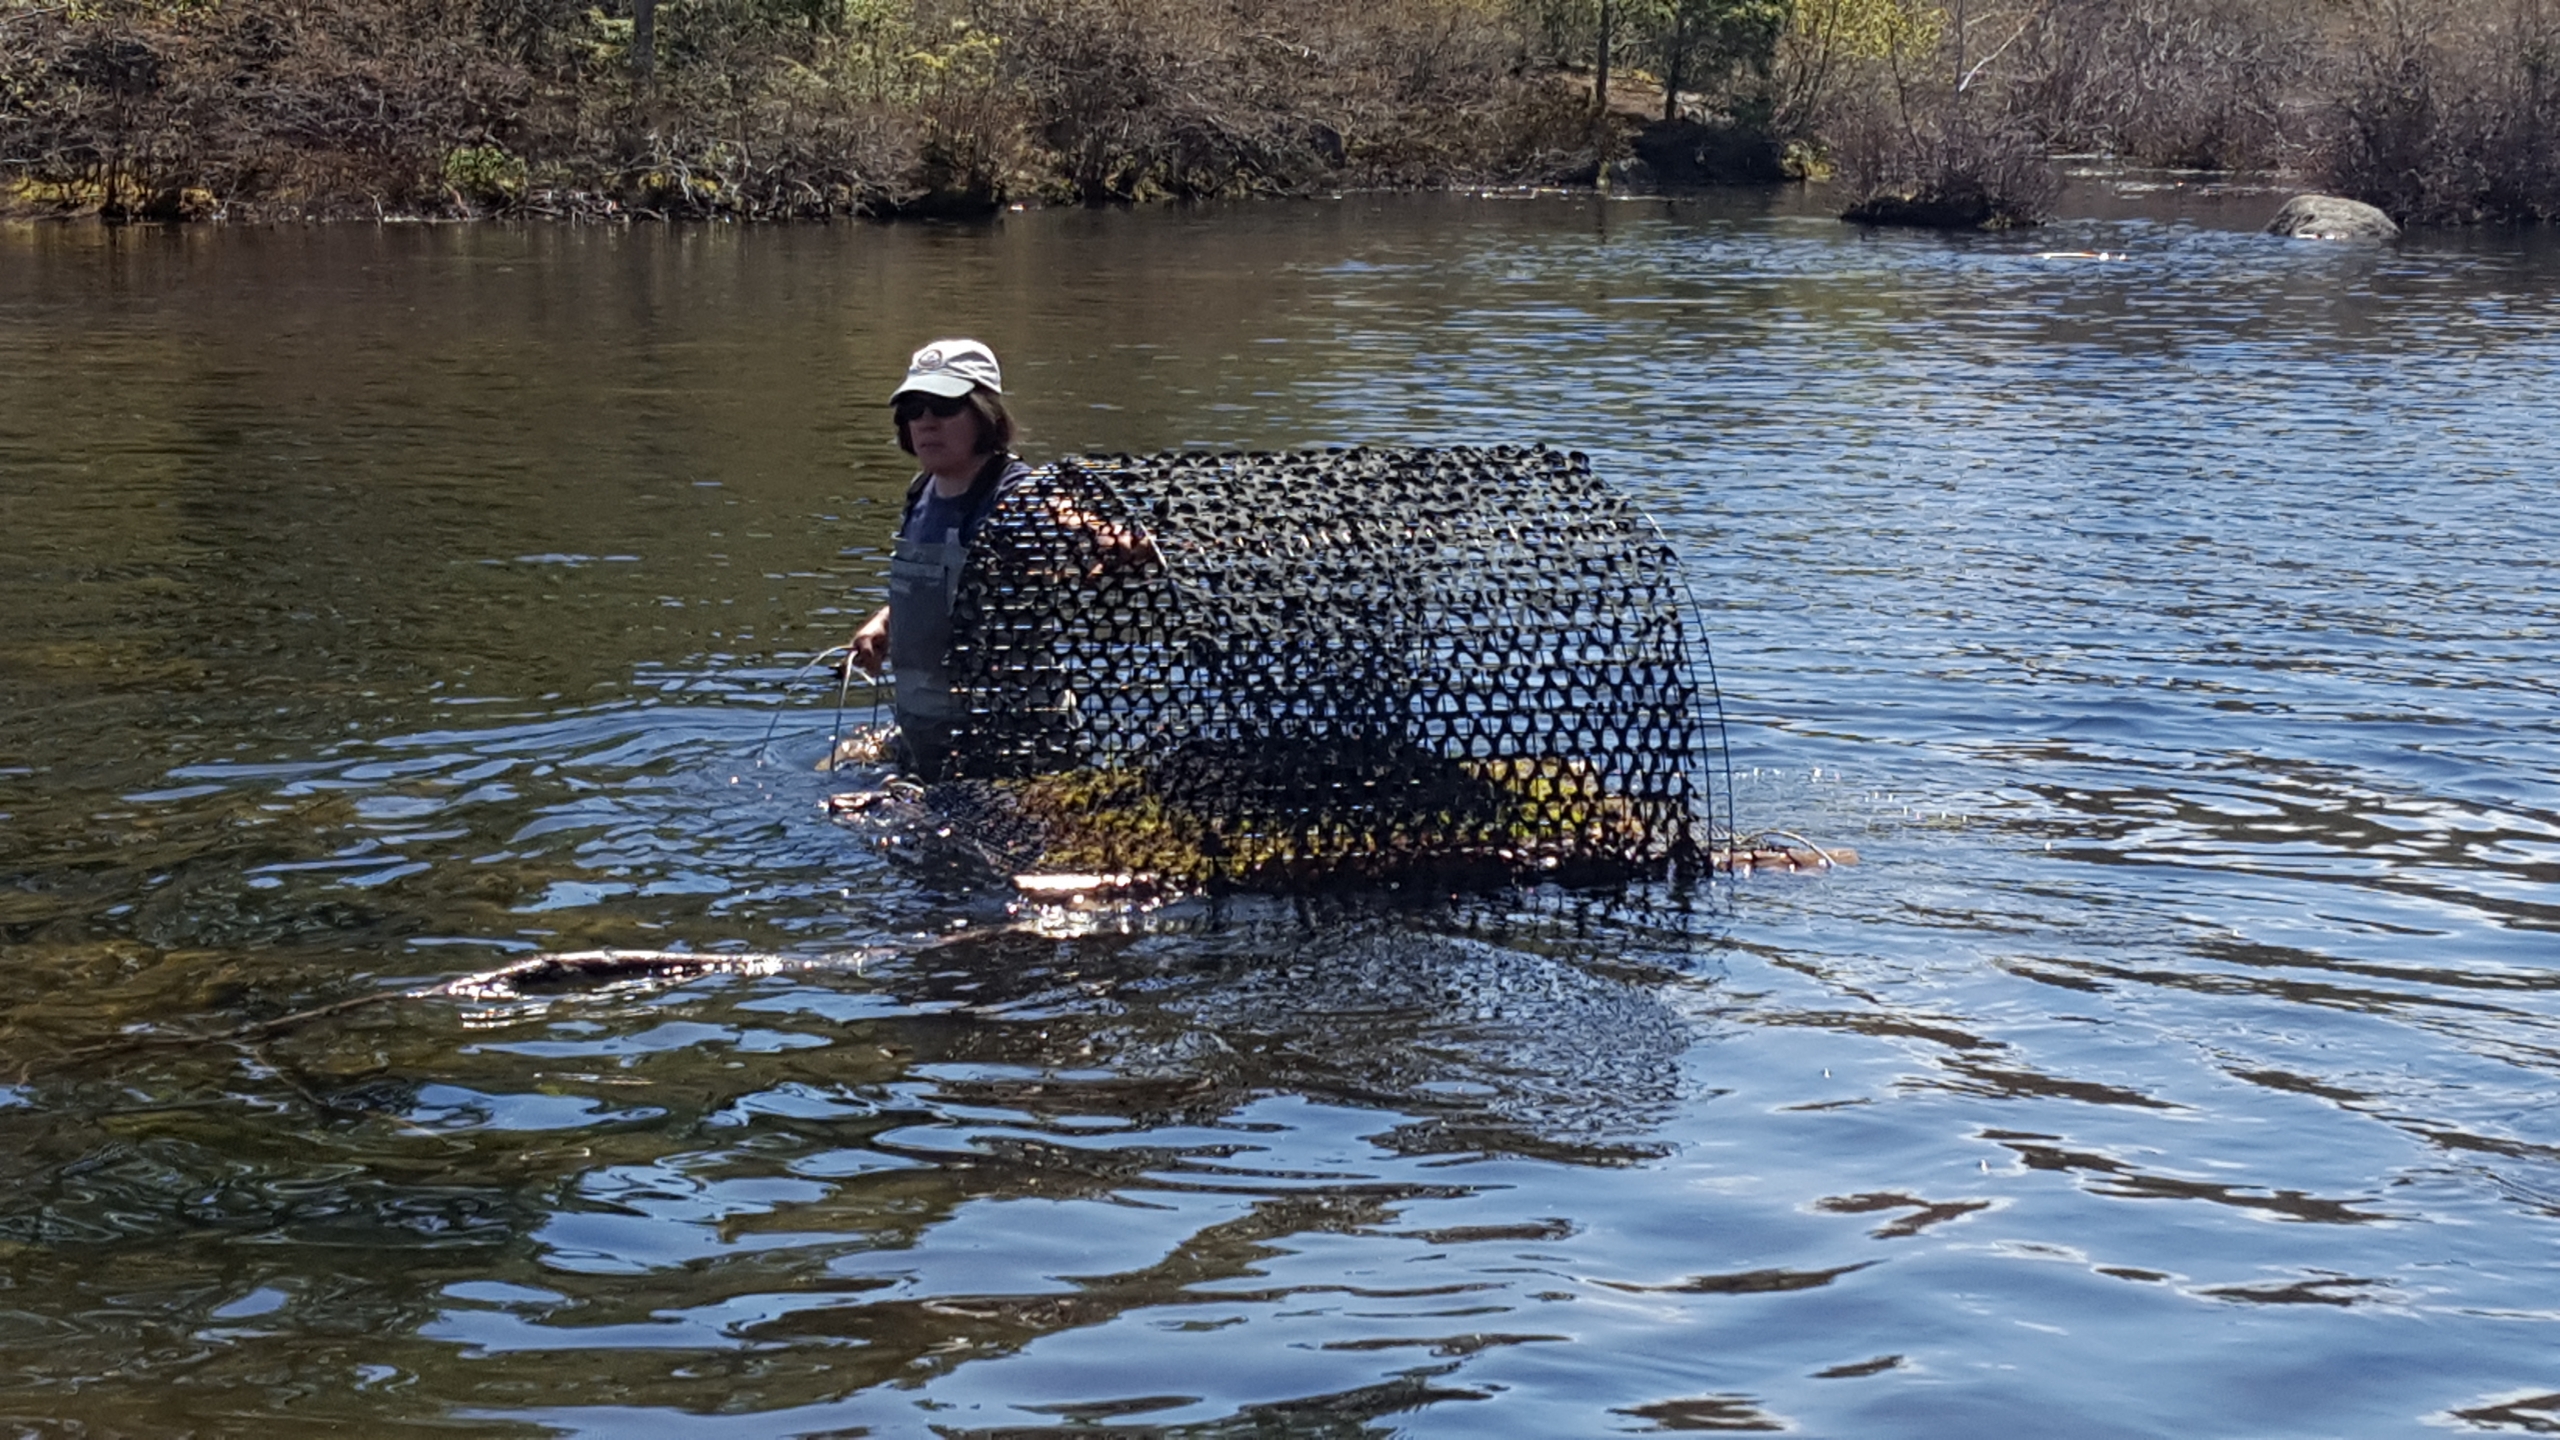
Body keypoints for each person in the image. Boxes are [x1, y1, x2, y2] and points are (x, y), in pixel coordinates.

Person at [846, 338, 1031, 778]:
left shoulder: (1018, 494)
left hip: (998, 742)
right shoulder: (921, 491)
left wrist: (1110, 541)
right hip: (924, 731)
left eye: (943, 406)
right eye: (914, 408)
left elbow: (1077, 523)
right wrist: (888, 620)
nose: (925, 421)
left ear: (984, 414)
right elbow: (953, 589)